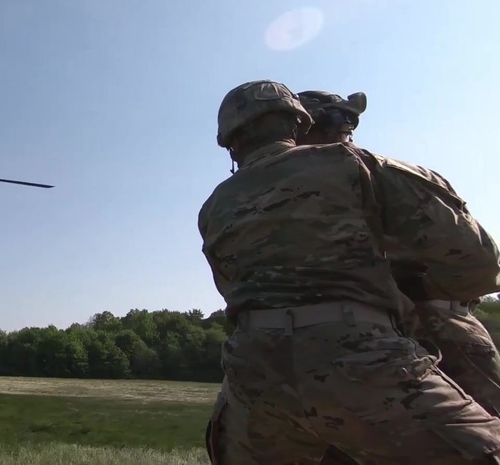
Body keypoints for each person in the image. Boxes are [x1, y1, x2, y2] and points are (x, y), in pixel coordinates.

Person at [199, 79, 500, 464]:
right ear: (298, 123)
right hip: (360, 361)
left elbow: (230, 290)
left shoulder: (213, 207)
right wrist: (418, 295)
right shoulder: (355, 165)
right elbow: (478, 261)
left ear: (231, 141)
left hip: (252, 370)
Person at [297, 90, 500, 458]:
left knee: (479, 445)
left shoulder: (380, 177)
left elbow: (480, 262)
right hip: (343, 353)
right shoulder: (277, 198)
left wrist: (415, 294)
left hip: (436, 335)